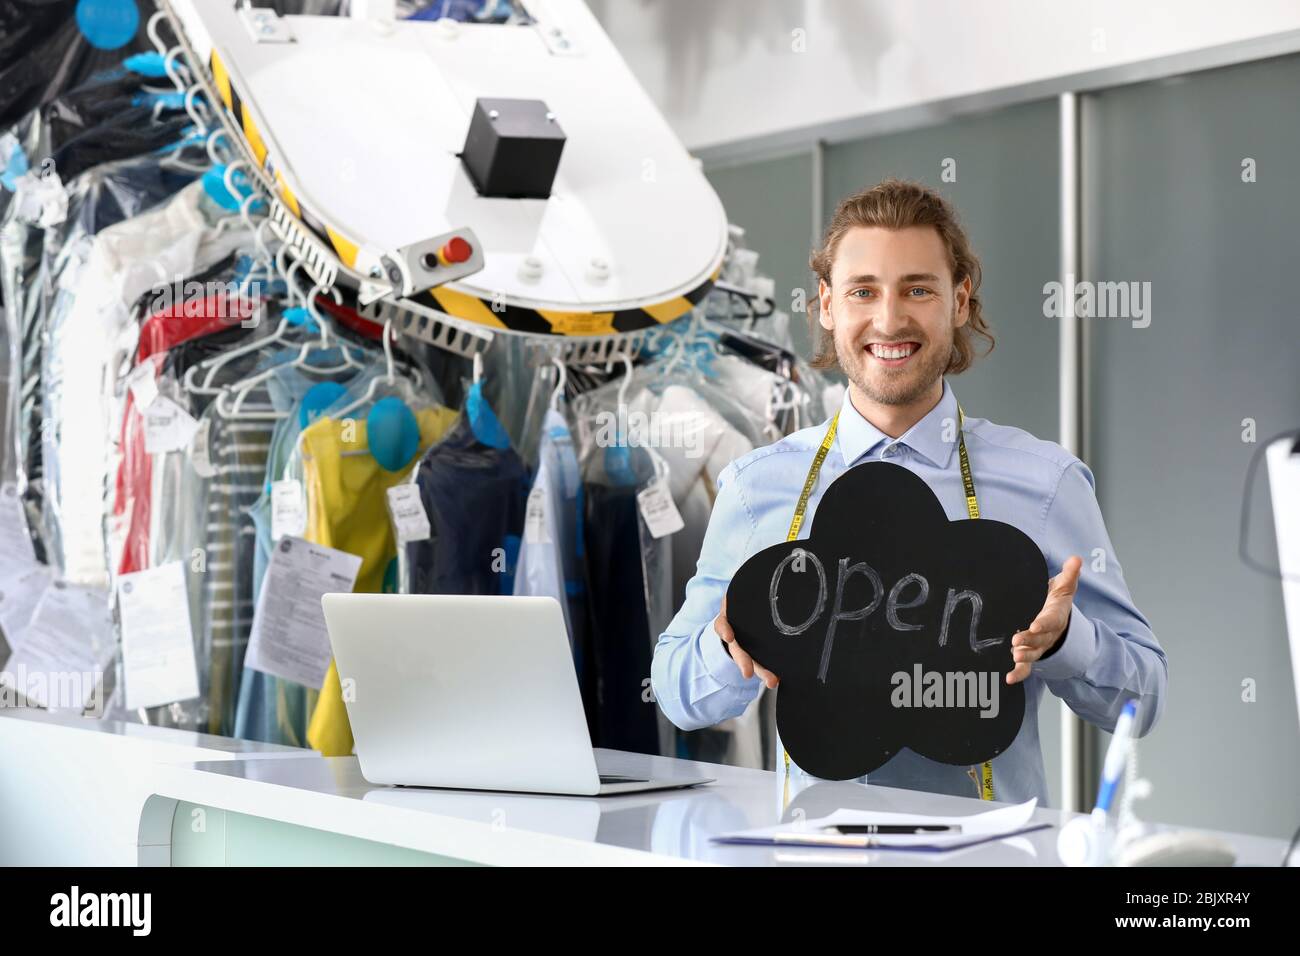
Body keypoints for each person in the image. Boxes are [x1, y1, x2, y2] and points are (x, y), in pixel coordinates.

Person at [650, 178, 1167, 805]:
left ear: (959, 300)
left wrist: (1064, 643)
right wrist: (728, 646)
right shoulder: (756, 485)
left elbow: (1144, 698)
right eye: (863, 291)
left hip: (987, 862)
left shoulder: (1046, 483)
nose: (889, 319)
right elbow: (675, 692)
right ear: (827, 306)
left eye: (917, 289)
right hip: (817, 855)